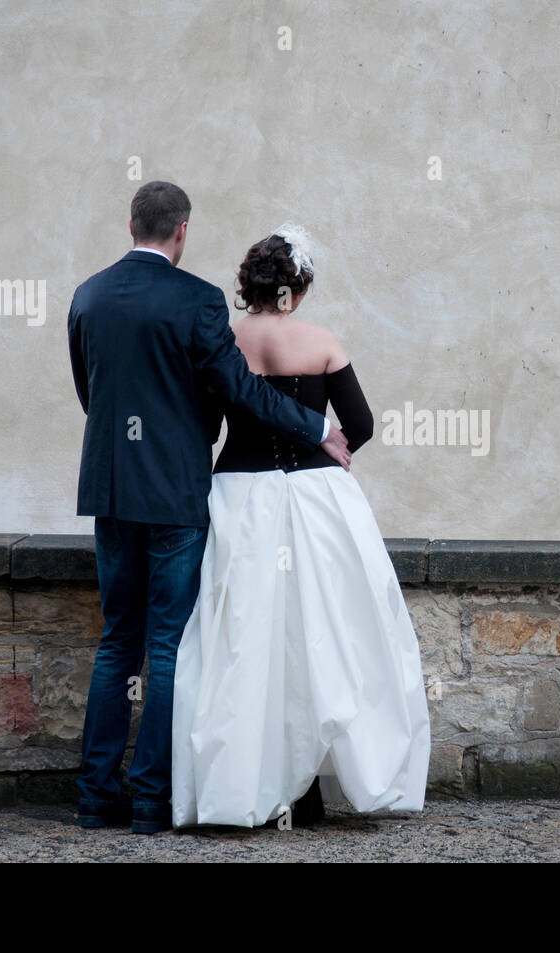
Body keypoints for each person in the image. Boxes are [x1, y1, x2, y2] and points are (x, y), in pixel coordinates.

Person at [68, 184, 352, 835]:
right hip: (175, 492)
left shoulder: (88, 295)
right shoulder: (196, 300)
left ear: (131, 222)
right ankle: (149, 801)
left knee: (118, 641)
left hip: (113, 490)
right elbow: (242, 390)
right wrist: (314, 427)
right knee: (165, 644)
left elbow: (94, 391)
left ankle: (93, 797)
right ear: (182, 232)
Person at [171, 224, 430, 829]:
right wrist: (329, 447)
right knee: (329, 632)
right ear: (298, 286)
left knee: (245, 638)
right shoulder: (320, 340)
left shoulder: (224, 340)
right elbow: (360, 423)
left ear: (250, 284)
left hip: (239, 493)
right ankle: (313, 780)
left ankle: (245, 783)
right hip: (317, 501)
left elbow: (205, 422)